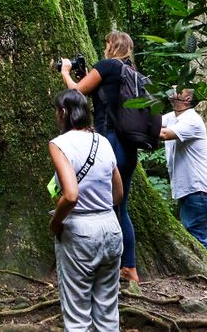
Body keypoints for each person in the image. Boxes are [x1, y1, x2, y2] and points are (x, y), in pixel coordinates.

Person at [59, 30, 140, 284]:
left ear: (112, 46)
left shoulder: (107, 66)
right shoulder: (130, 72)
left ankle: (101, 263)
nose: (104, 47)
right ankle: (129, 267)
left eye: (106, 43)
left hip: (110, 143)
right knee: (120, 206)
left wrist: (65, 71)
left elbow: (76, 93)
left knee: (102, 205)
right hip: (128, 146)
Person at [49, 89, 124, 332]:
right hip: (110, 227)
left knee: (77, 314)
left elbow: (71, 195)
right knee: (107, 311)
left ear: (63, 112)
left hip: (80, 231)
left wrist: (56, 223)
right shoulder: (101, 141)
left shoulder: (59, 144)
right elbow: (118, 193)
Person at [160, 87, 207, 262]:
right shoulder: (173, 117)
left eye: (178, 88)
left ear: (187, 98)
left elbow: (163, 134)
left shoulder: (192, 120)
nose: (172, 88)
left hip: (200, 191)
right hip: (195, 191)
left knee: (198, 241)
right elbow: (152, 122)